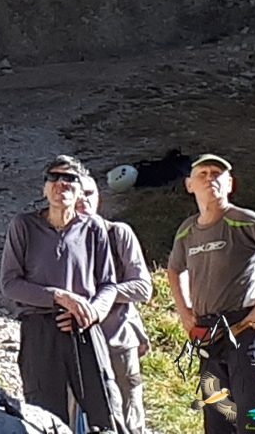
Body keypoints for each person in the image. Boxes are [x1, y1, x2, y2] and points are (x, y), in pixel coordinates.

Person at [166, 154, 255, 434]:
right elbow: (174, 270)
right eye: (203, 174)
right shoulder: (187, 230)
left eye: (217, 174)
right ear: (189, 185)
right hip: (209, 333)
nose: (210, 178)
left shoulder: (243, 221)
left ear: (230, 184)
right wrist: (184, 312)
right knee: (219, 420)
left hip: (247, 330)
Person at [0, 155, 127, 433]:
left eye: (69, 179)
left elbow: (108, 284)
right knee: (45, 416)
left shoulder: (93, 228)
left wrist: (92, 313)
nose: (61, 184)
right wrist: (59, 296)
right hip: (39, 330)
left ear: (81, 189)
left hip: (84, 328)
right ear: (44, 189)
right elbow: (10, 283)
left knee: (106, 411)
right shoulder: (24, 226)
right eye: (54, 178)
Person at [82, 174, 152, 434]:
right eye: (78, 194)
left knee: (129, 418)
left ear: (99, 197)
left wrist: (101, 297)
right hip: (78, 343)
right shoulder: (58, 241)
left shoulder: (118, 233)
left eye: (89, 193)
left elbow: (143, 287)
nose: (83, 200)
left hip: (119, 339)